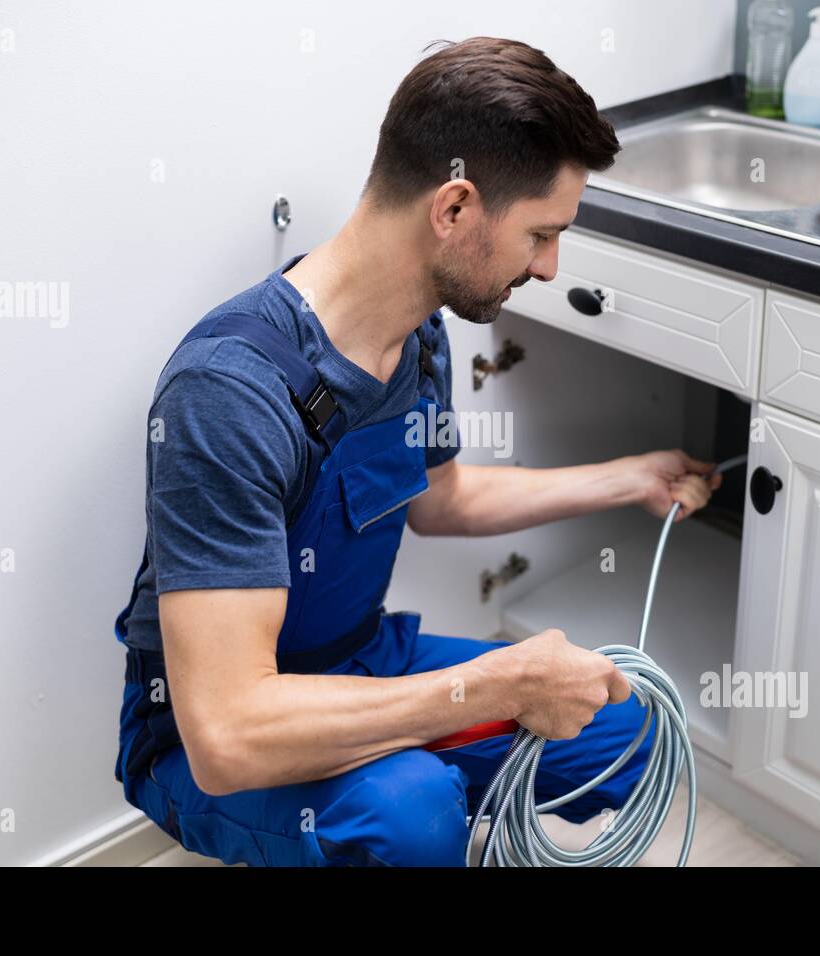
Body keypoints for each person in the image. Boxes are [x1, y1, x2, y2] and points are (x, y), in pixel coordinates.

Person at [113, 35, 722, 867]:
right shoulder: (228, 395)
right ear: (456, 209)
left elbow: (443, 501)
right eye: (542, 235)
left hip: (363, 661)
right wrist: (495, 689)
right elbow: (226, 734)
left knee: (619, 722)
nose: (550, 268)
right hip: (215, 736)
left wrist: (628, 479)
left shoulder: (420, 337)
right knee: (410, 811)